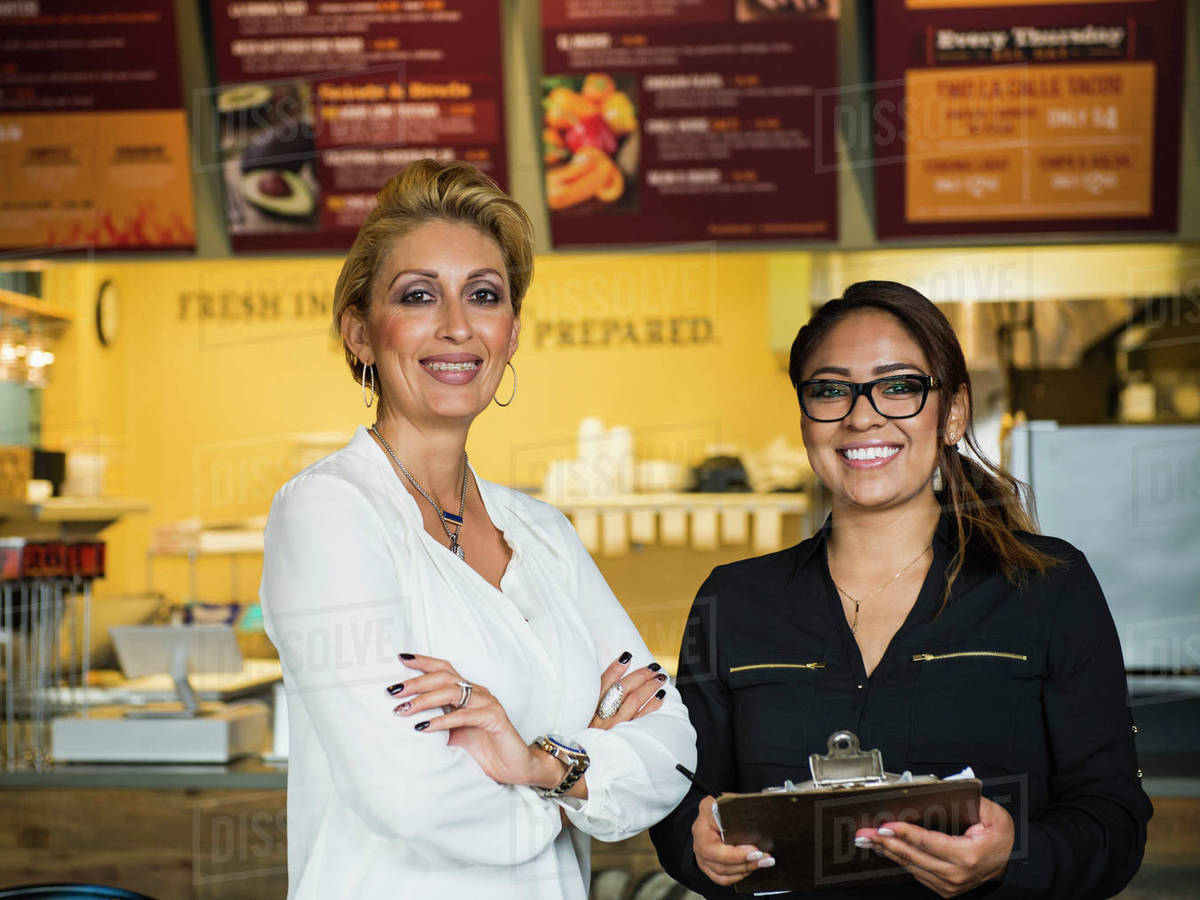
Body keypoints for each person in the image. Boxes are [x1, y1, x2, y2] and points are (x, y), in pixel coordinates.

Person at [260, 159, 696, 899]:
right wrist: (574, 793)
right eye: (419, 295)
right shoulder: (328, 511)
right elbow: (408, 791)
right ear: (360, 332)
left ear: (512, 332)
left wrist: (538, 765)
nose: (457, 326)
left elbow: (673, 745)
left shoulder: (543, 532)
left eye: (484, 296)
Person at [649, 281, 1152, 899]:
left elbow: (1114, 820)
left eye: (899, 386)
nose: (863, 415)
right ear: (807, 418)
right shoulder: (735, 599)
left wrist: (1014, 854)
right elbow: (682, 801)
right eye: (831, 390)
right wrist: (696, 849)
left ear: (954, 412)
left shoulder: (1048, 586)